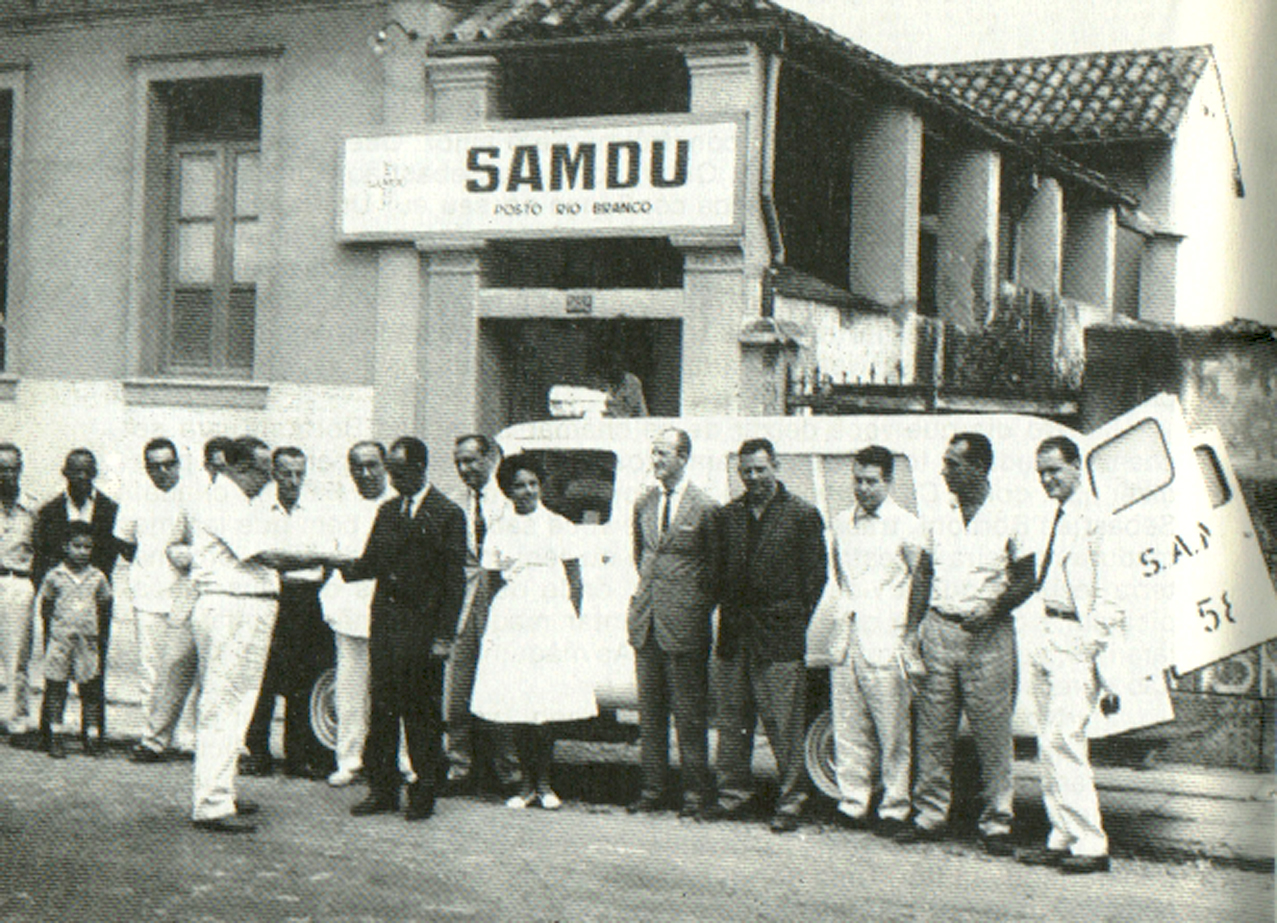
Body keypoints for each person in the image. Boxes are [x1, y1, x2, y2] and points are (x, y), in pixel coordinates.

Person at [186, 436, 338, 833]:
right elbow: (268, 556)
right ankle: (211, 803)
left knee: (238, 706)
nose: (269, 480)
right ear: (240, 468)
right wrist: (328, 557)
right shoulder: (224, 500)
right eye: (263, 472)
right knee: (224, 706)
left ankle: (221, 790)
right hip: (231, 606)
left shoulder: (239, 502)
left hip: (246, 607)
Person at [896, 432, 1035, 855]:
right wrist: (912, 632)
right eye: (945, 463)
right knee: (933, 730)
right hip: (940, 630)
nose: (944, 472)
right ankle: (929, 815)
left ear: (979, 468)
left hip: (988, 637)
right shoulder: (938, 514)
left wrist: (992, 608)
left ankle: (997, 822)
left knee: (992, 733)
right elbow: (923, 574)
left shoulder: (1011, 513)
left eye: (953, 464)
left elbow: (1027, 579)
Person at [345, 437, 466, 822]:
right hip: (386, 626)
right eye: (391, 472)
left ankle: (424, 792)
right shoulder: (388, 511)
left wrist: (444, 636)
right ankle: (382, 790)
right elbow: (371, 562)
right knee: (382, 710)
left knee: (422, 716)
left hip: (424, 632)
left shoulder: (447, 514)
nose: (393, 479)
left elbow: (454, 582)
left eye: (399, 472)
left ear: (419, 468)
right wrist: (335, 564)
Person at [708, 439, 826, 833]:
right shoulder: (727, 516)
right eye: (746, 471)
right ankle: (732, 795)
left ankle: (792, 801)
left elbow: (815, 579)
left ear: (776, 466)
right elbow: (716, 575)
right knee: (732, 722)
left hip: (779, 636)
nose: (754, 477)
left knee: (783, 723)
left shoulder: (802, 515)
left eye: (760, 469)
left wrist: (789, 620)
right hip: (734, 635)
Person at [1016, 436, 1120, 874]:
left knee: (1065, 739)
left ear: (1077, 466)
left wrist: (1087, 645)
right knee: (1047, 741)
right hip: (1046, 630)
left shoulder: (1097, 519)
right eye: (1041, 472)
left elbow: (1112, 594)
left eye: (1055, 470)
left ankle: (1091, 844)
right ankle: (1061, 835)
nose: (1047, 479)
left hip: (1075, 638)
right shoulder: (1051, 515)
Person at [469, 453, 597, 810]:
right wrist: (494, 629)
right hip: (513, 620)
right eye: (519, 486)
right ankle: (525, 784)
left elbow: (575, 580)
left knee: (546, 704)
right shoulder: (499, 529)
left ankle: (545, 783)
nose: (526, 491)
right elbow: (491, 584)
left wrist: (568, 621)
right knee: (519, 703)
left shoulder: (558, 525)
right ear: (507, 490)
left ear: (540, 486)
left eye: (532, 484)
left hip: (550, 619)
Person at [822, 445, 925, 836]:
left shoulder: (907, 525)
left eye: (871, 481)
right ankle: (853, 802)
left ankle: (895, 807)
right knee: (848, 725)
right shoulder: (841, 522)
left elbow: (919, 580)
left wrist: (908, 634)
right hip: (848, 635)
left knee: (893, 730)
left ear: (888, 481)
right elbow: (841, 575)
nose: (862, 488)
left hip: (887, 636)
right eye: (858, 480)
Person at [626, 428, 719, 818]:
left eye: (663, 453)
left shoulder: (706, 507)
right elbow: (642, 556)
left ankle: (695, 794)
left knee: (689, 714)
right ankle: (652, 790)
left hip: (685, 625)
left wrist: (690, 606)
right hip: (647, 622)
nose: (656, 460)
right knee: (650, 714)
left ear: (683, 457)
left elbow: (714, 570)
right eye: (654, 452)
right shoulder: (644, 502)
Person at [243, 446, 336, 780]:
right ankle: (258, 752)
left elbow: (325, 558)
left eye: (300, 474)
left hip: (306, 599)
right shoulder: (257, 510)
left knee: (303, 677)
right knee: (263, 676)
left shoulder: (318, 510)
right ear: (274, 474)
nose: (294, 481)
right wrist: (293, 560)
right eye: (286, 473)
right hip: (270, 595)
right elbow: (262, 558)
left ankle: (298, 755)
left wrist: (296, 564)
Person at [22, 449, 120, 749]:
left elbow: (110, 554)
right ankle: (51, 732)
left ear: (95, 473)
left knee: (93, 668)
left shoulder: (109, 509)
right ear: (64, 473)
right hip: (60, 601)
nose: (82, 477)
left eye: (88, 471)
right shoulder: (50, 510)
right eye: (76, 471)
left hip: (93, 599)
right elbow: (41, 556)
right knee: (56, 672)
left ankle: (93, 733)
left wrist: (91, 582)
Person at [443, 434, 520, 793]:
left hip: (501, 601)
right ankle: (459, 767)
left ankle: (508, 771)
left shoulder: (511, 502)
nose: (465, 469)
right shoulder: (454, 503)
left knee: (501, 687)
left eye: (471, 461)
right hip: (463, 602)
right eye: (459, 462)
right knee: (457, 690)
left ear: (491, 459)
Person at [117, 438, 193, 760]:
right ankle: (153, 741)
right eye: (155, 466)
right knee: (151, 671)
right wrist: (149, 568)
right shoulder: (136, 497)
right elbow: (125, 543)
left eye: (168, 464)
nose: (162, 471)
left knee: (184, 669)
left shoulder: (193, 496)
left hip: (185, 596)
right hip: (148, 596)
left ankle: (186, 738)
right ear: (146, 468)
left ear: (178, 464)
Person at [319, 440, 389, 787]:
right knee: (350, 691)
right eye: (358, 467)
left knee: (393, 691)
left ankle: (401, 762)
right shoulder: (340, 509)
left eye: (373, 465)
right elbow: (329, 558)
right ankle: (349, 759)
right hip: (349, 610)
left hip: (390, 611)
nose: (366, 473)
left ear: (385, 466)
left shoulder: (398, 505)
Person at [34, 522, 113, 757]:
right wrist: (55, 631)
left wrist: (94, 633)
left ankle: (91, 737)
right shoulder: (55, 576)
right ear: (65, 547)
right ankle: (55, 736)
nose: (82, 551)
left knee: (89, 689)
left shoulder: (97, 577)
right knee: (57, 688)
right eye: (77, 546)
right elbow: (46, 605)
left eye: (87, 547)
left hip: (86, 642)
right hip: (61, 641)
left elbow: (105, 603)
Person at [0, 444, 37, 739]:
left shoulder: (33, 508)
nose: (6, 475)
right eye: (0, 469)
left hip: (18, 582)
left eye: (11, 468)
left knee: (17, 655)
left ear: (20, 470)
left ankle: (17, 717)